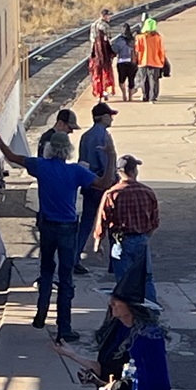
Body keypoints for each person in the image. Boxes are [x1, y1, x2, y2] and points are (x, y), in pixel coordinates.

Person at [0, 125, 103, 343]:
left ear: (49, 149)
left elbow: (12, 157)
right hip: (68, 228)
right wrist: (112, 156)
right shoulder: (76, 171)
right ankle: (64, 328)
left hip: (47, 227)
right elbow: (104, 184)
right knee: (66, 278)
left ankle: (41, 314)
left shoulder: (40, 166)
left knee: (47, 270)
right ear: (68, 150)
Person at [93, 153, 160, 305]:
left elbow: (102, 219)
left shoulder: (112, 193)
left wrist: (98, 242)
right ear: (134, 171)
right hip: (141, 240)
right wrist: (145, 236)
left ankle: (128, 313)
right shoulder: (147, 192)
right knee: (146, 278)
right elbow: (154, 221)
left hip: (120, 242)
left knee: (124, 282)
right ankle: (150, 312)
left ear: (119, 172)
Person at [75, 101, 118, 272]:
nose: (112, 120)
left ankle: (74, 257)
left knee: (86, 222)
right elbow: (105, 162)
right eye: (110, 116)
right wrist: (114, 179)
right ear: (103, 117)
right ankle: (115, 261)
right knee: (113, 222)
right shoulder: (104, 136)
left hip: (88, 183)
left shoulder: (86, 136)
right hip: (102, 185)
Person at [135, 17, 167, 103]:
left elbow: (137, 50)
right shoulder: (158, 38)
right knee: (154, 80)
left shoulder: (139, 38)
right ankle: (153, 98)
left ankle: (145, 96)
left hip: (143, 61)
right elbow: (161, 50)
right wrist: (162, 61)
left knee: (144, 79)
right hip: (155, 62)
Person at [89, 21, 116, 101]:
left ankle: (98, 94)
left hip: (96, 62)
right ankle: (105, 92)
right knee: (106, 76)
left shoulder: (94, 43)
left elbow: (92, 53)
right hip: (105, 61)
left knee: (97, 77)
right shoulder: (105, 41)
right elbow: (110, 51)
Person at [112, 23, 138, 101]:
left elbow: (115, 50)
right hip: (132, 62)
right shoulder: (133, 39)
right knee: (131, 79)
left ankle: (124, 95)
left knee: (121, 80)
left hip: (121, 62)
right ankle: (130, 97)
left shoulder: (119, 39)